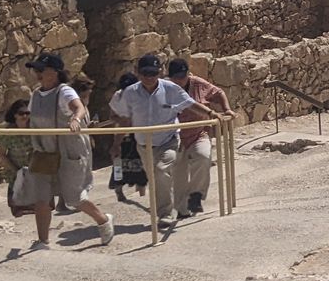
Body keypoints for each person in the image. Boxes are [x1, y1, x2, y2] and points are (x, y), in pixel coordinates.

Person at [109, 54, 217, 235]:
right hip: (144, 144)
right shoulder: (130, 93)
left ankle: (165, 214)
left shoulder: (170, 89)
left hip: (168, 140)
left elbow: (190, 104)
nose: (149, 77)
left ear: (160, 72)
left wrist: (212, 114)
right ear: (137, 72)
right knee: (156, 179)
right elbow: (122, 118)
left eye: (153, 73)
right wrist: (117, 143)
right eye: (145, 73)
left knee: (161, 170)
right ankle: (172, 208)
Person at [24, 53, 116, 248]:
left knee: (74, 198)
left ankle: (103, 220)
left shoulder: (64, 92)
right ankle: (42, 240)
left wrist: (75, 119)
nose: (37, 73)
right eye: (35, 69)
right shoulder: (36, 95)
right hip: (44, 152)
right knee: (41, 198)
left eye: (41, 69)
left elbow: (78, 107)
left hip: (68, 152)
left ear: (55, 72)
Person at [166, 59, 231, 215]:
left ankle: (195, 195)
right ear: (170, 77)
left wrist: (226, 109)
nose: (180, 80)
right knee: (179, 173)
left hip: (199, 132)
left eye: (183, 76)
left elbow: (218, 93)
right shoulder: (164, 88)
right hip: (175, 136)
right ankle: (182, 209)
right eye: (176, 77)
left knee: (203, 157)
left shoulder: (198, 84)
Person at [108, 73, 149, 203]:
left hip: (138, 133)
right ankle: (119, 191)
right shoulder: (118, 96)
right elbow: (112, 116)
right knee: (119, 163)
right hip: (122, 134)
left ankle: (142, 193)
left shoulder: (141, 95)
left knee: (141, 164)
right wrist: (122, 120)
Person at [0, 99, 35, 216]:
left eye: (27, 113)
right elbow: (1, 154)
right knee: (19, 211)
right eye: (21, 113)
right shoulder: (8, 132)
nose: (25, 116)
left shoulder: (36, 129)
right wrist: (17, 171)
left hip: (35, 174)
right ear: (15, 115)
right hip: (16, 176)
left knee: (40, 208)